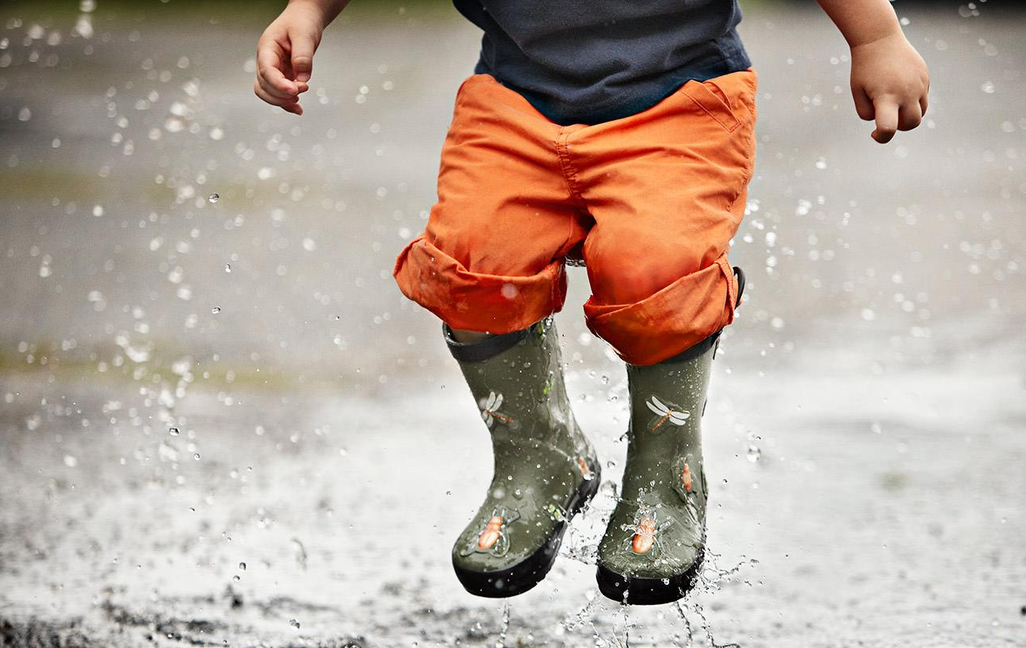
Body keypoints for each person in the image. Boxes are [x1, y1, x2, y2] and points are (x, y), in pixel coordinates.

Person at [254, 0, 929, 604]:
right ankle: (540, 457)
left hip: (680, 99)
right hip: (514, 99)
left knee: (654, 265)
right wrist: (308, 12)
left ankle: (667, 478)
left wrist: (875, 35)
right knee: (470, 259)